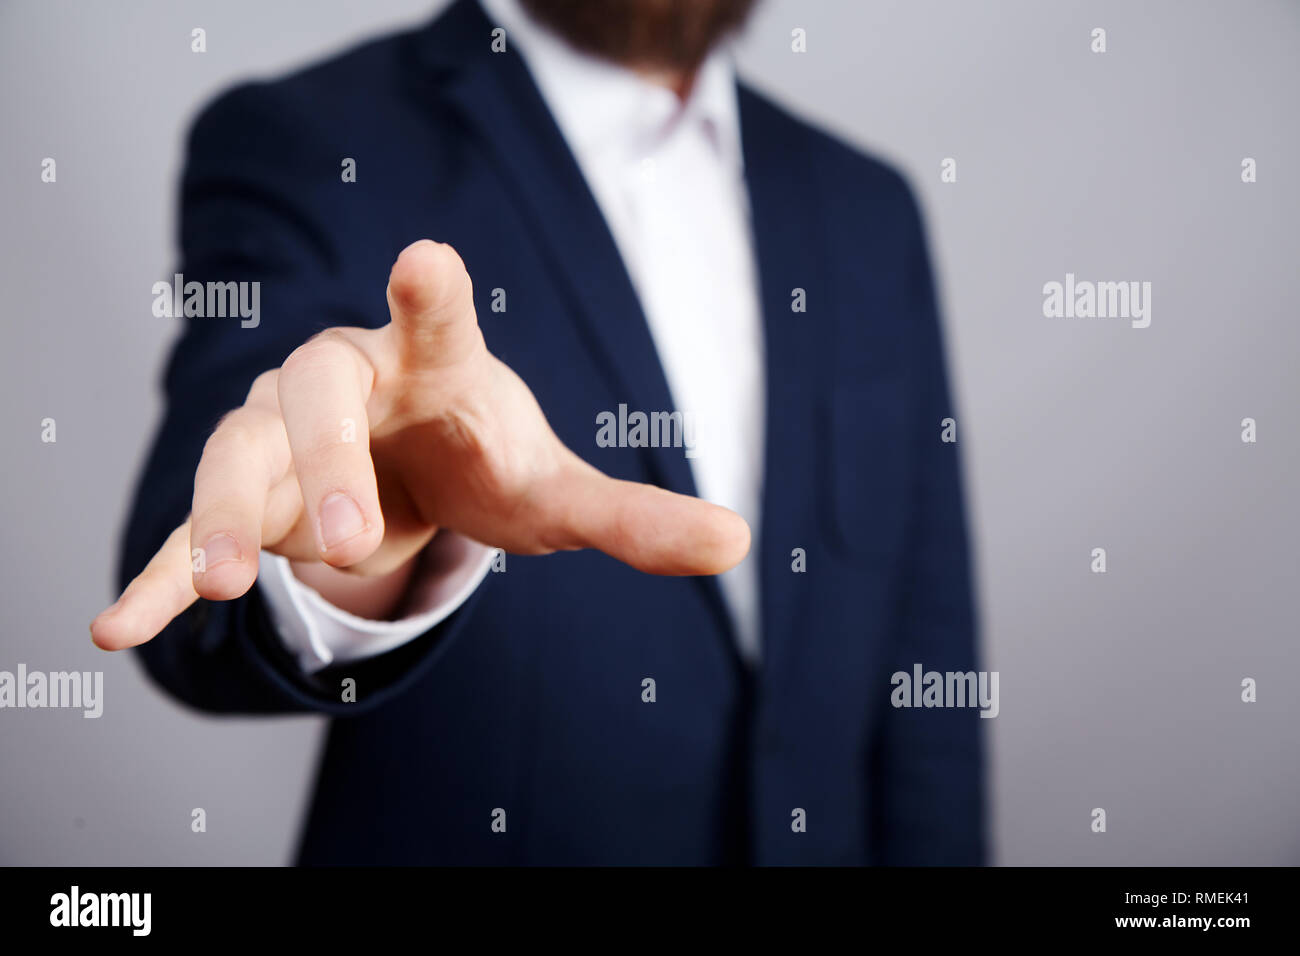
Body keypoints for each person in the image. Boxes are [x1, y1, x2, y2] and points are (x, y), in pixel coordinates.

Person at [91, 0, 985, 865]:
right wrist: (348, 549)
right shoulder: (311, 139)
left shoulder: (871, 209)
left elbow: (928, 672)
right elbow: (205, 588)